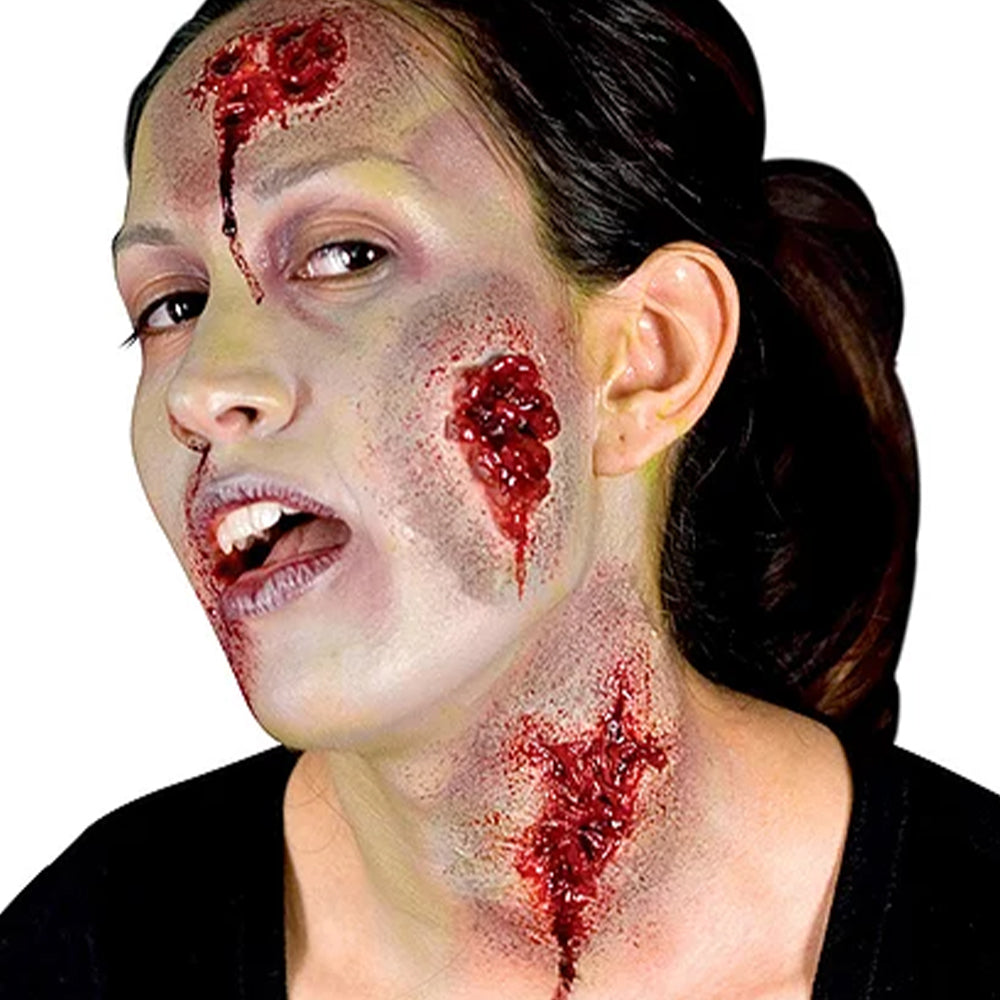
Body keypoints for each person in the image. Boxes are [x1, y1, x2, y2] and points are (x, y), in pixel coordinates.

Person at [2, 0, 998, 997]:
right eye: (172, 304)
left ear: (648, 359)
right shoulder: (84, 960)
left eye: (347, 254)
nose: (200, 387)